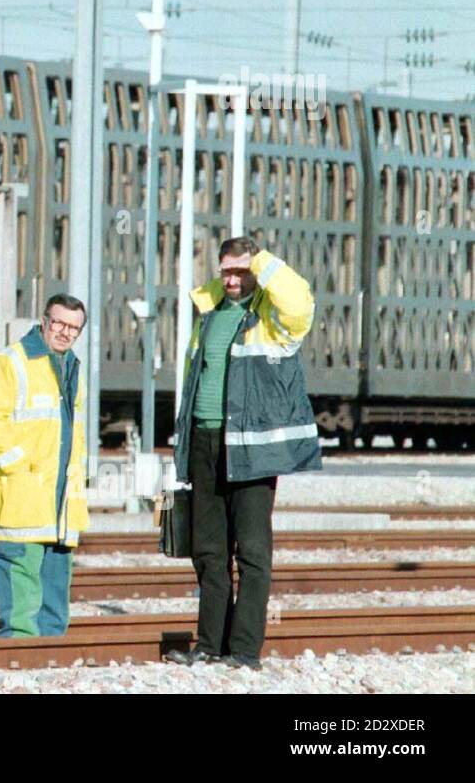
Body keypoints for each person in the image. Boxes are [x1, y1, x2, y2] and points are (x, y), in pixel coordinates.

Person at [165, 237, 322, 671]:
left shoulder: (272, 317)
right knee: (209, 551)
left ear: (255, 270)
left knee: (252, 552)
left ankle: (245, 650)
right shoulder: (209, 315)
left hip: (253, 451)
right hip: (204, 441)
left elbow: (299, 301)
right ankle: (209, 644)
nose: (232, 280)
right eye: (226, 272)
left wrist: (263, 261)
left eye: (240, 271)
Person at [0, 294, 89, 637]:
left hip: (59, 499)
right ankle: (20, 650)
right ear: (44, 321)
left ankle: (51, 649)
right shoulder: (9, 362)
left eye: (74, 328)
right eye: (60, 324)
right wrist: (20, 466)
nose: (66, 333)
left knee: (55, 579)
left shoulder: (71, 367)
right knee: (21, 577)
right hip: (20, 497)